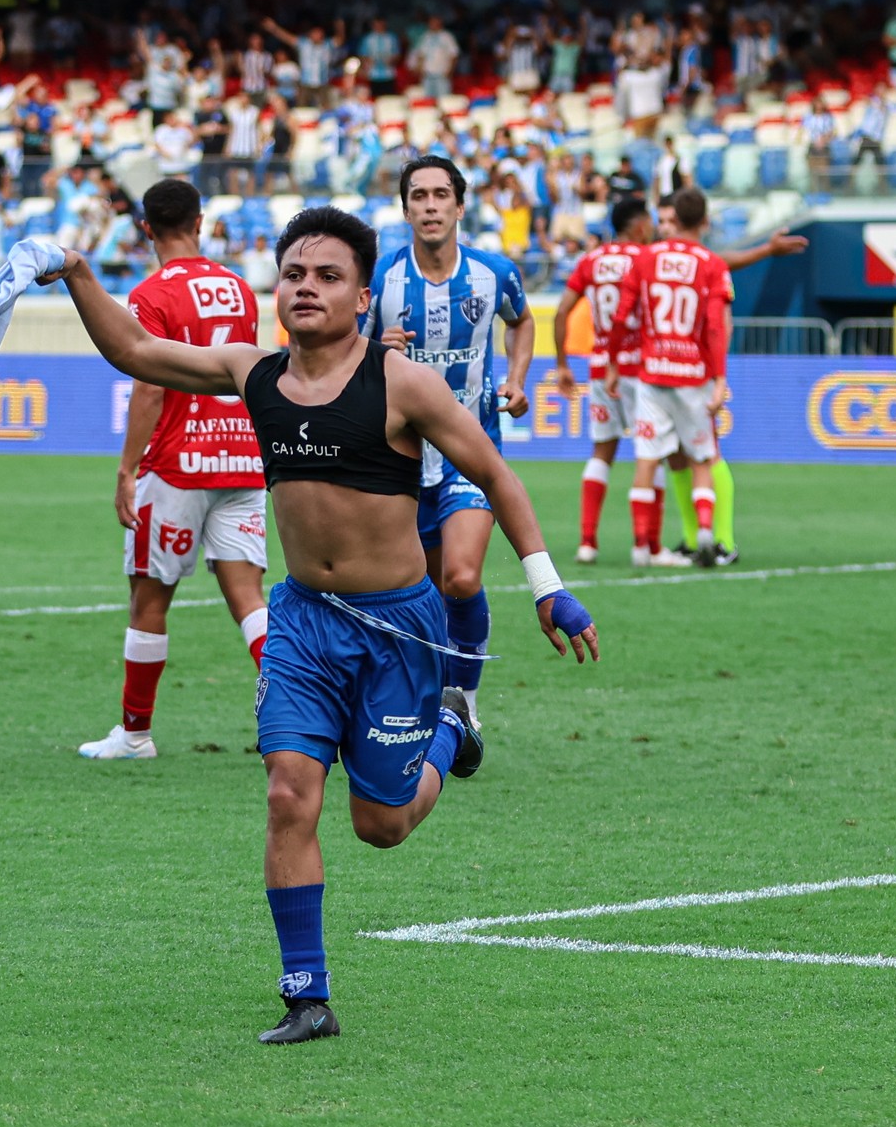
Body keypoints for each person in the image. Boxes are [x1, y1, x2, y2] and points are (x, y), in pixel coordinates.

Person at [38, 203, 598, 1044]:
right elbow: (135, 351)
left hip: (398, 632)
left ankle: (448, 727)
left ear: (362, 297)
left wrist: (547, 586)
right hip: (301, 625)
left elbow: (497, 476)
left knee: (381, 826)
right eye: (294, 273)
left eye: (327, 276)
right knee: (288, 794)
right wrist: (79, 273)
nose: (306, 287)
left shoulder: (402, 383)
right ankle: (308, 994)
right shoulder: (252, 370)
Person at [78, 180, 269, 761]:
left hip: (178, 463)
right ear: (202, 221)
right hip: (241, 455)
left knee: (150, 600)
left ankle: (135, 734)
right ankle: (298, 720)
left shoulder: (149, 295)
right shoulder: (240, 289)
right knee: (249, 599)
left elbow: (149, 385)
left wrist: (126, 470)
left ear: (145, 229)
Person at [362, 155, 536, 729]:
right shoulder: (382, 279)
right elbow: (341, 355)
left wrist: (515, 379)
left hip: (470, 448)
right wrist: (377, 350)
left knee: (462, 577)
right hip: (404, 460)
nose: (431, 205)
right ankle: (426, 696)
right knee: (427, 592)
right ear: (406, 208)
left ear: (460, 207)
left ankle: (465, 703)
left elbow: (523, 320)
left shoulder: (494, 274)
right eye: (419, 196)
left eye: (441, 195)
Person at [652, 194, 806, 566]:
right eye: (661, 220)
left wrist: (718, 373)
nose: (665, 227)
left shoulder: (699, 262)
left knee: (706, 453)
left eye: (671, 220)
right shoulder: (655, 257)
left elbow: (721, 293)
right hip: (659, 369)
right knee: (674, 457)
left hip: (693, 370)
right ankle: (693, 540)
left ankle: (722, 540)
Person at [554, 198, 688, 567]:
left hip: (600, 367)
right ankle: (648, 546)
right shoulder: (645, 259)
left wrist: (563, 362)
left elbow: (563, 309)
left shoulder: (591, 260)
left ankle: (587, 543)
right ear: (640, 224)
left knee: (602, 452)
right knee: (652, 453)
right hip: (641, 370)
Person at [607, 187, 732, 568]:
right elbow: (714, 325)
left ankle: (642, 548)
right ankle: (707, 533)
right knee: (701, 457)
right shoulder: (712, 263)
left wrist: (613, 362)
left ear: (672, 219)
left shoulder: (646, 258)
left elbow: (622, 315)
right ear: (706, 222)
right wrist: (720, 378)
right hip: (693, 374)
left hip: (653, 372)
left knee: (647, 458)